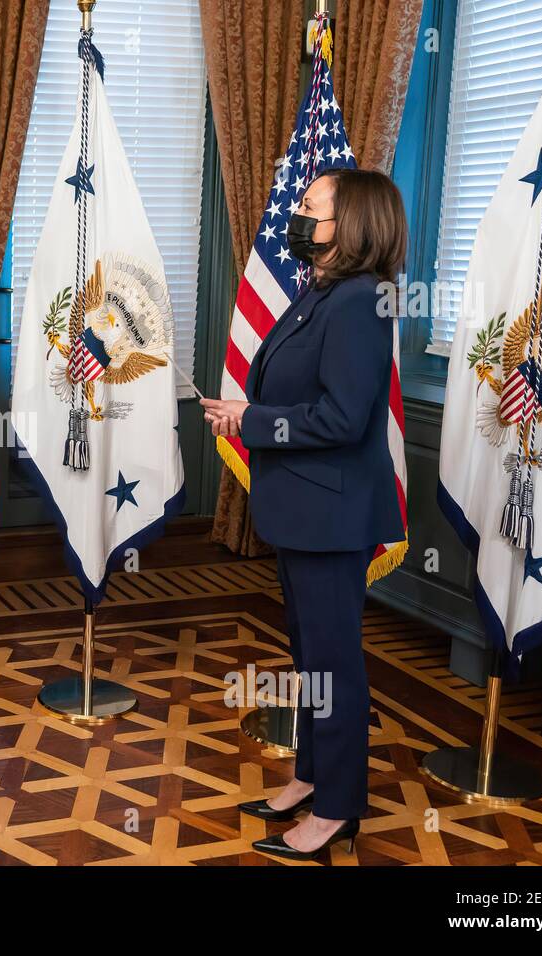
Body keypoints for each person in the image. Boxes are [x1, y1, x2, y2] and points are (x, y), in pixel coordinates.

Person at [200, 167, 406, 860]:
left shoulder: (359, 302)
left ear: (349, 225)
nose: (298, 215)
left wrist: (250, 420)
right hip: (303, 511)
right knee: (310, 658)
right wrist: (248, 414)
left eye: (311, 207)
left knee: (334, 664)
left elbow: (344, 419)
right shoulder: (319, 293)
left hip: (331, 515)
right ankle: (312, 775)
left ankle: (339, 808)